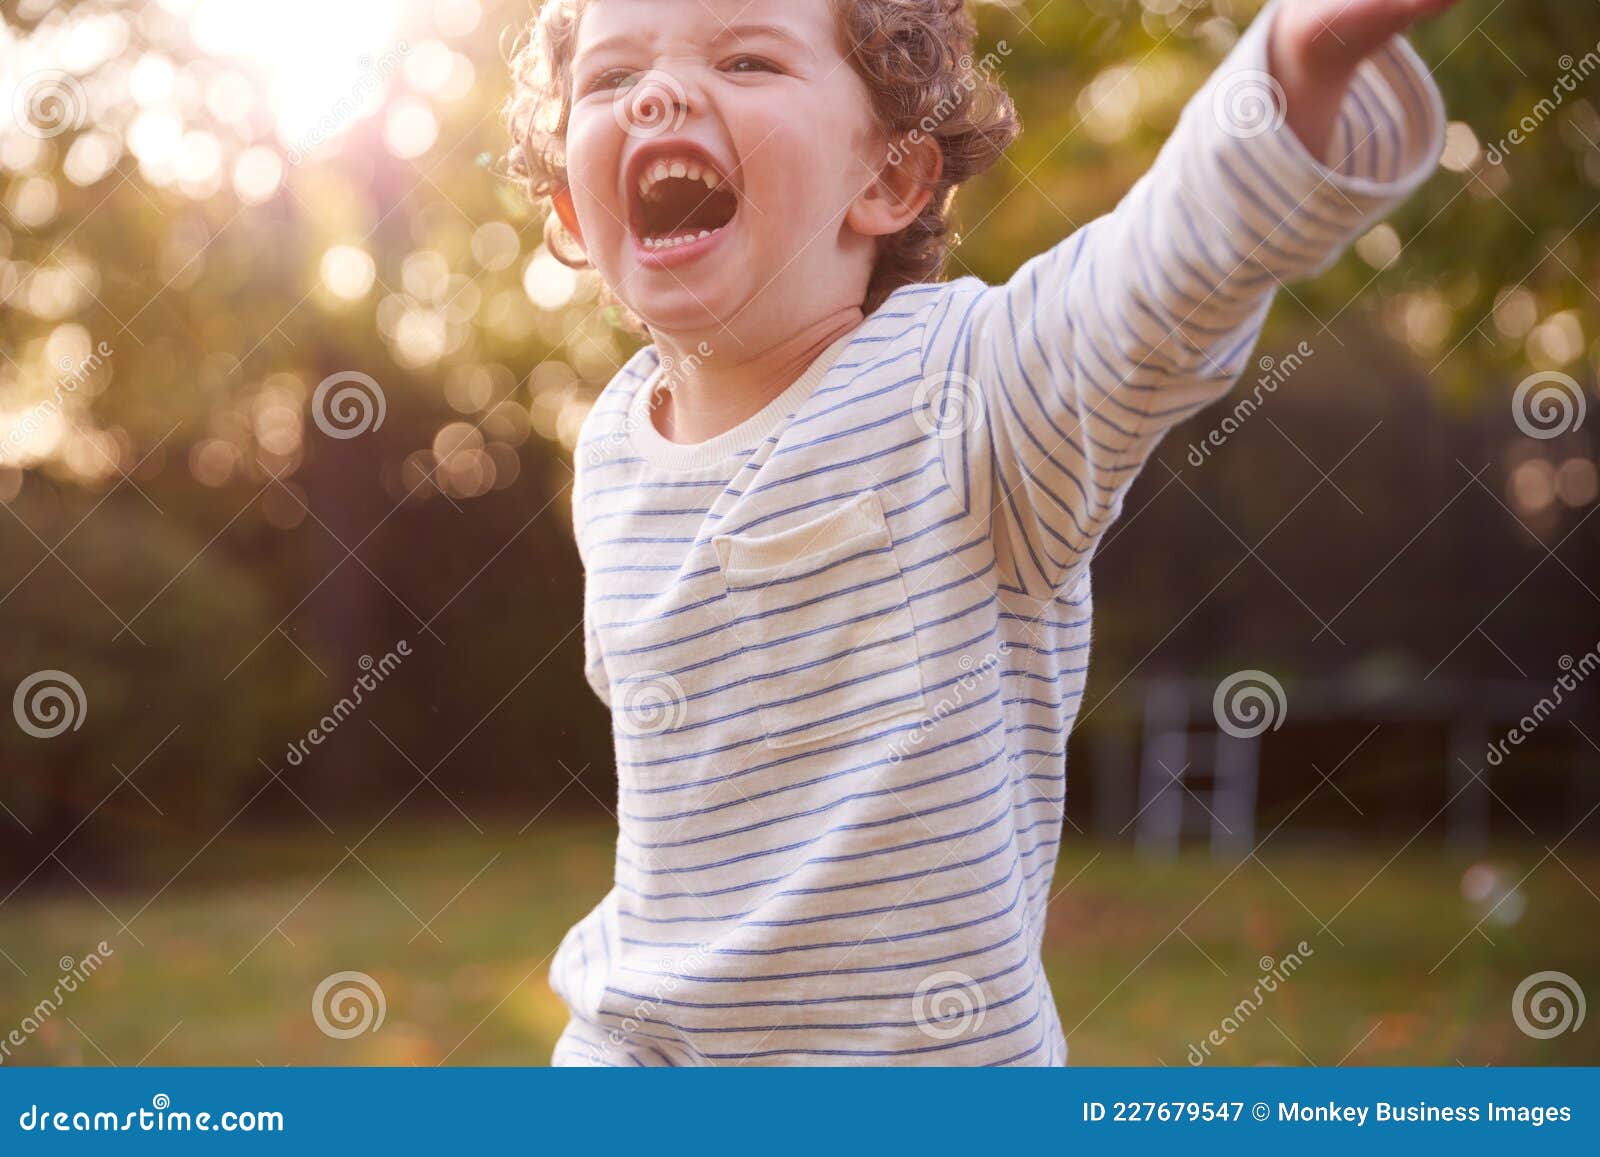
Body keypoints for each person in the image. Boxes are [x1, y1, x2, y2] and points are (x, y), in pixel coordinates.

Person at [502, 0, 1454, 1065]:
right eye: (609, 77)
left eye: (746, 57)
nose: (659, 94)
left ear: (890, 179)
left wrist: (1295, 60)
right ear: (573, 215)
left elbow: (1150, 283)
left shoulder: (973, 390)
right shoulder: (614, 451)